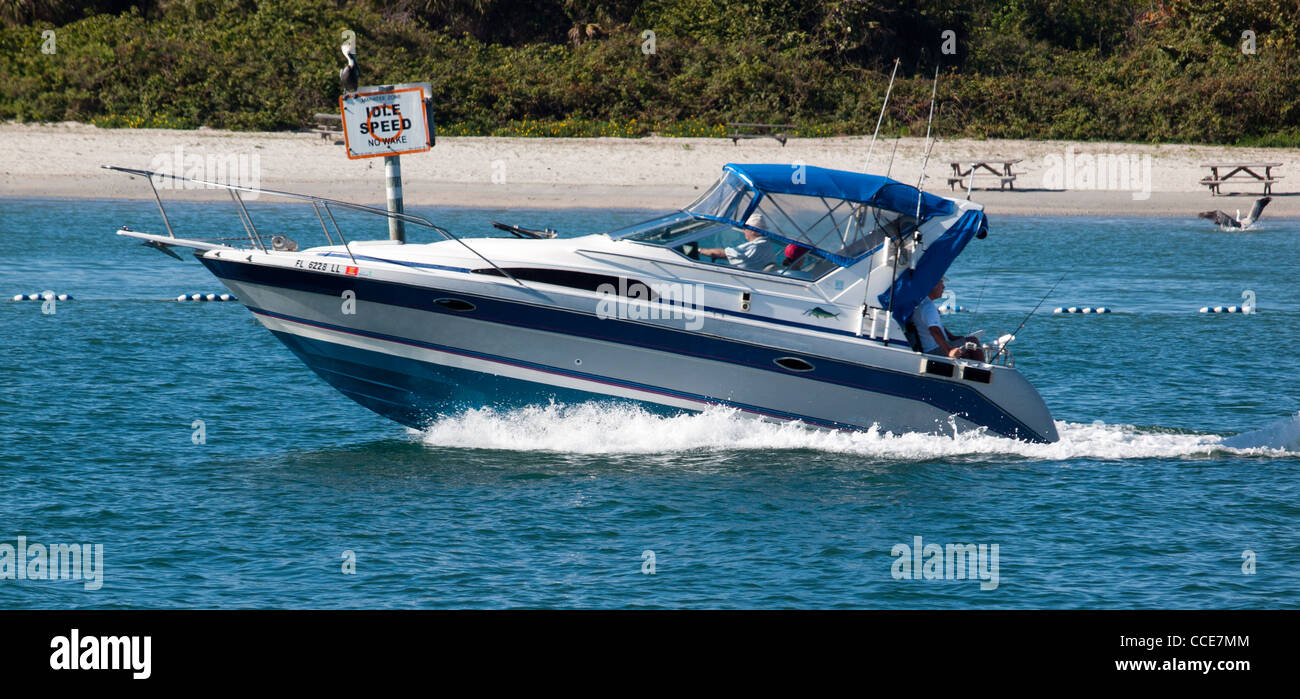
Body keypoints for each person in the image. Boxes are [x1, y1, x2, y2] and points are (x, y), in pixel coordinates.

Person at [909, 278, 984, 360]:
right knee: (973, 341)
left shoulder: (923, 303)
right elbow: (934, 330)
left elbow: (938, 326)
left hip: (932, 347)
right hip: (934, 350)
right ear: (932, 286)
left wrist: (952, 337)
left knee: (968, 347)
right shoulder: (928, 307)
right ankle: (984, 371)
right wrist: (949, 351)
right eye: (941, 283)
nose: (944, 287)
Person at [699, 213, 780, 270]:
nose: (744, 230)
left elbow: (720, 254)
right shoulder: (767, 244)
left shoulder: (753, 247)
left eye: (745, 228)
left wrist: (699, 250)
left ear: (753, 231)